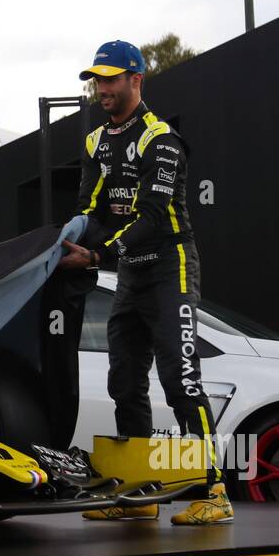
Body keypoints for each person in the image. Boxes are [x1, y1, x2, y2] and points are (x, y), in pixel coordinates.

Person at [59, 40, 233, 525]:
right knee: (123, 382)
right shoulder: (96, 141)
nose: (102, 88)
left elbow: (154, 217)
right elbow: (90, 210)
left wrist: (96, 254)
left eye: (111, 78)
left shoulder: (163, 140)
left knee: (181, 380)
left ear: (137, 80)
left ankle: (215, 492)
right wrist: (62, 244)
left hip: (169, 264)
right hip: (131, 269)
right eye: (97, 79)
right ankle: (140, 494)